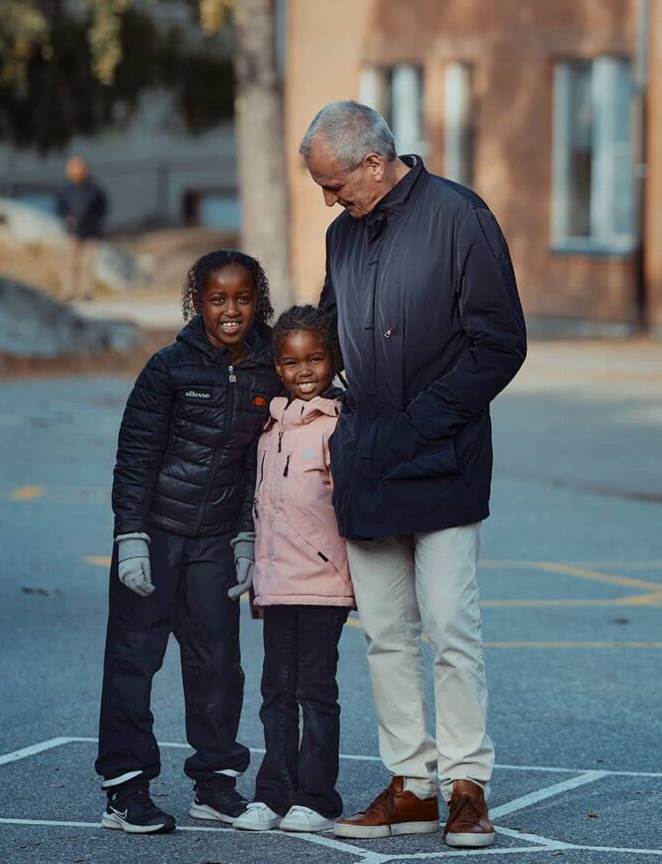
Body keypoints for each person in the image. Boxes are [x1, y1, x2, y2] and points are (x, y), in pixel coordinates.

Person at [300, 100, 527, 849]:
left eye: (334, 184)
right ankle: (410, 784)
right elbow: (328, 339)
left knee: (452, 629)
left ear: (373, 161)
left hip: (443, 459)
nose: (328, 200)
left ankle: (467, 785)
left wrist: (419, 425)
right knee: (386, 636)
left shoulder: (461, 217)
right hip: (367, 460)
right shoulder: (342, 236)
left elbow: (499, 344)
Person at [97, 249, 278, 834]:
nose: (231, 310)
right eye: (218, 299)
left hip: (217, 540)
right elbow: (136, 458)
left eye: (243, 298)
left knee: (219, 666)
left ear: (259, 301)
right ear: (197, 302)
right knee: (133, 662)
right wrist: (130, 537)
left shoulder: (268, 369)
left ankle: (215, 784)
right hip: (157, 533)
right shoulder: (168, 368)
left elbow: (261, 463)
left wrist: (247, 536)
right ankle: (126, 791)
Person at [230, 306, 354, 835]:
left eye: (316, 358)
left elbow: (350, 506)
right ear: (277, 366)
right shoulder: (269, 428)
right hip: (276, 584)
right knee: (275, 692)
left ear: (332, 360)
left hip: (324, 584)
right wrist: (257, 576)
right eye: (291, 361)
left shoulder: (338, 425)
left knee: (315, 692)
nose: (305, 371)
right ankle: (273, 793)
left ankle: (318, 797)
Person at [55, 156, 108, 302]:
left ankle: (87, 292)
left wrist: (96, 222)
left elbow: (102, 208)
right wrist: (67, 219)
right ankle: (68, 292)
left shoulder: (94, 189)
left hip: (90, 232)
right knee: (70, 264)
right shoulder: (66, 190)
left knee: (88, 265)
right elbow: (60, 208)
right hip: (72, 232)